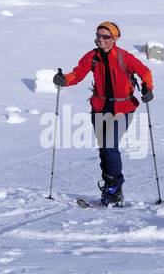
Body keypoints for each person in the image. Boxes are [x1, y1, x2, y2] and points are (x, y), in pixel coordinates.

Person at [54, 21, 154, 205]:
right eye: (98, 36)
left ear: (114, 39)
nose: (100, 40)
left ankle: (116, 188)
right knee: (104, 149)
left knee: (109, 146)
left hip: (123, 108)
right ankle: (109, 187)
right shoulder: (93, 57)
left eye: (105, 37)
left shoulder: (125, 57)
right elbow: (78, 74)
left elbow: (145, 72)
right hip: (99, 107)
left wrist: (147, 88)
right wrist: (63, 79)